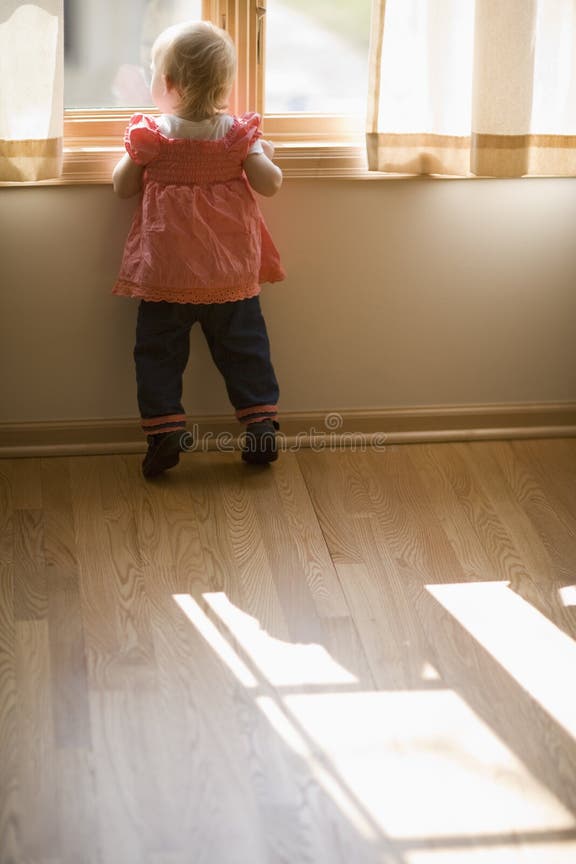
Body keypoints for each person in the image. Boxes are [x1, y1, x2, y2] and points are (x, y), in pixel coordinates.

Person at [111, 20, 285, 479]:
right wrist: (262, 152)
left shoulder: (153, 136)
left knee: (157, 353)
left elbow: (121, 187)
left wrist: (135, 161)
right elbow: (271, 185)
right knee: (246, 348)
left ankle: (165, 429)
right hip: (228, 271)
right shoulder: (235, 135)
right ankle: (261, 424)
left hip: (167, 272)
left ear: (167, 84)